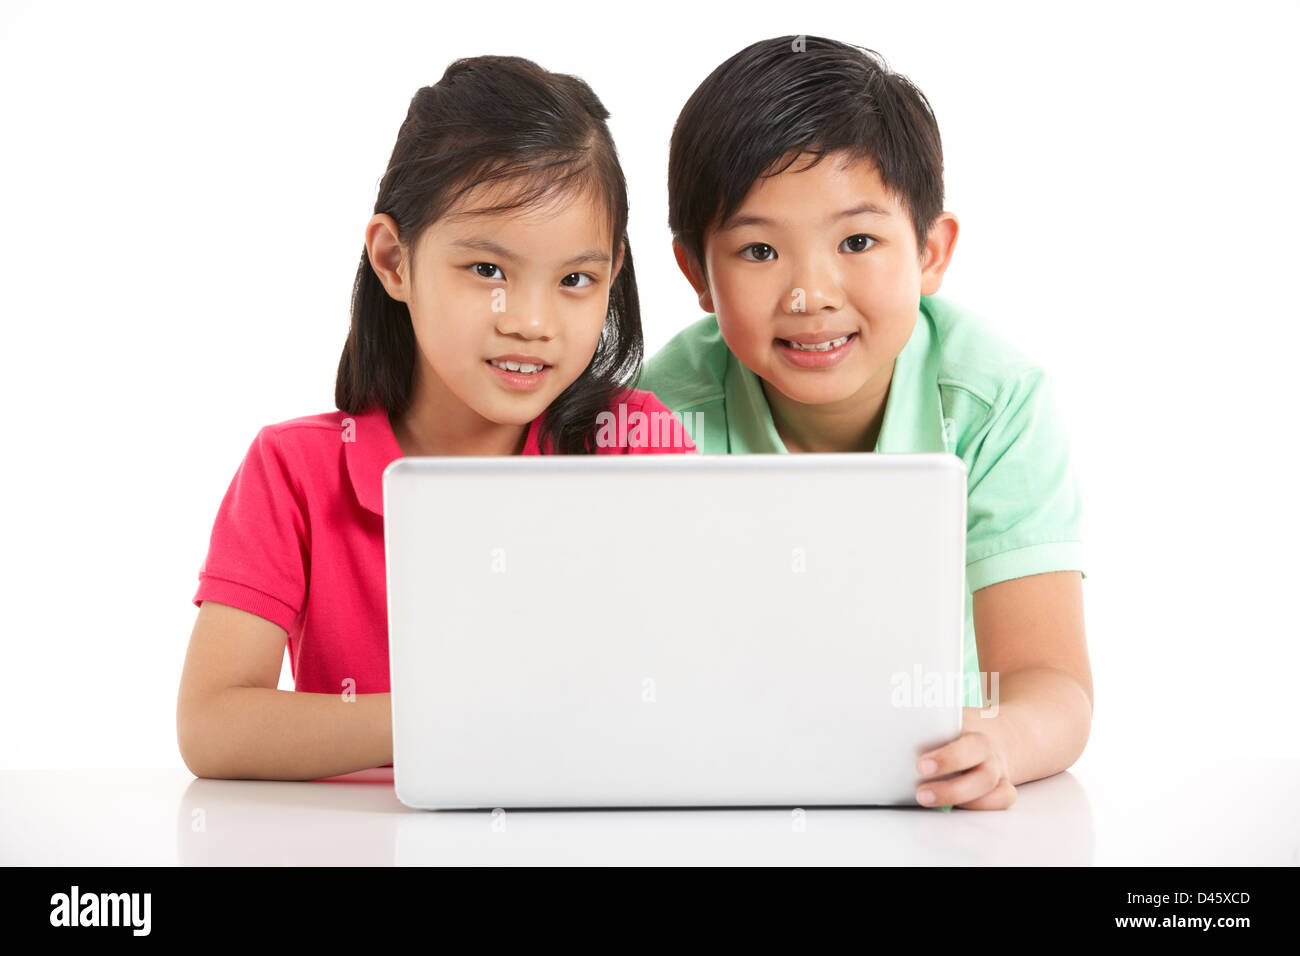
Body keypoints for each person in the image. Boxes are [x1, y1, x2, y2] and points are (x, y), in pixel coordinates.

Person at [178, 55, 695, 782]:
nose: (531, 322)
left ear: (611, 275)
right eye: (488, 271)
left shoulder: (634, 446)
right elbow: (214, 725)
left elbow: (703, 685)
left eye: (575, 280)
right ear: (394, 261)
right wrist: (450, 716)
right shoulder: (292, 471)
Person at [638, 36, 1091, 810]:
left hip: (924, 793)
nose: (810, 293)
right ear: (696, 275)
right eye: (757, 250)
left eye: (857, 241)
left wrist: (1001, 743)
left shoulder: (994, 401)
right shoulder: (662, 413)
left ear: (931, 251)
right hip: (734, 788)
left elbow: (1051, 682)